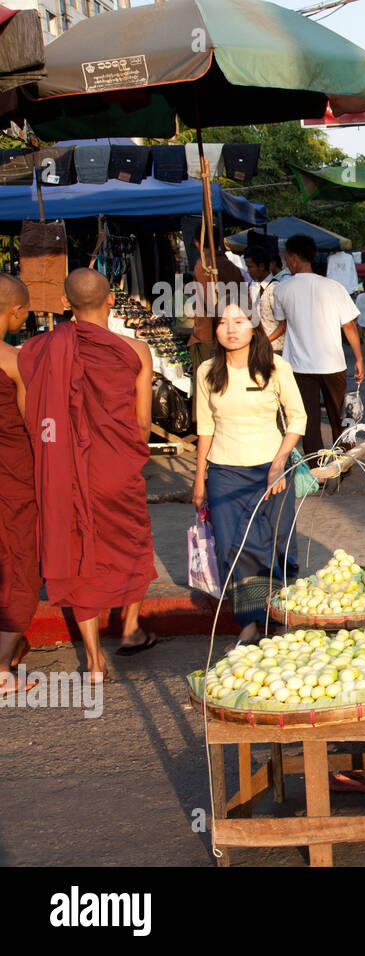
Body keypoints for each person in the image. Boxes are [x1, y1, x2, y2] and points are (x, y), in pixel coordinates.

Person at [19, 269, 157, 682]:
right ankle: (131, 629)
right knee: (132, 540)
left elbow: (35, 417)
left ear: (66, 304)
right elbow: (144, 424)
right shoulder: (135, 350)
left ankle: (95, 661)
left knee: (78, 552)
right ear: (111, 300)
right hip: (116, 467)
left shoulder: (38, 350)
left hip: (64, 469)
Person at [193, 303, 305, 644]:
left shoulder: (275, 367)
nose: (230, 328)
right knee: (233, 547)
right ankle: (248, 624)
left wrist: (279, 462)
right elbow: (205, 426)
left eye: (239, 321)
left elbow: (297, 418)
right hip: (224, 472)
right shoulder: (207, 372)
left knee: (277, 543)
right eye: (223, 322)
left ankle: (281, 619)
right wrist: (199, 479)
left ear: (254, 327)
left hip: (271, 468)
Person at [272, 234, 365, 459]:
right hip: (332, 363)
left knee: (308, 419)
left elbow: (283, 324)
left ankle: (316, 466)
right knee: (339, 416)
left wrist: (265, 340)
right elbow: (349, 326)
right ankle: (344, 461)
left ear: (293, 258)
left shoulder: (282, 290)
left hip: (299, 367)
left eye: (287, 259)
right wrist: (359, 358)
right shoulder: (333, 287)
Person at [0, 275, 39, 695]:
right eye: (25, 311)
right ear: (14, 311)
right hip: (13, 478)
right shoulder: (13, 361)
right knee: (19, 565)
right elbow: (31, 425)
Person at [186, 235, 247, 368]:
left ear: (197, 243)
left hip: (209, 333)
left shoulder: (203, 265)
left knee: (207, 380)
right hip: (230, 332)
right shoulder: (232, 267)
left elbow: (209, 302)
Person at [245, 249, 284, 354]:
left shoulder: (275, 288)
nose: (248, 271)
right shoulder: (252, 286)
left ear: (261, 266)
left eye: (250, 267)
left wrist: (266, 341)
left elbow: (284, 324)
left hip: (274, 348)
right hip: (258, 346)